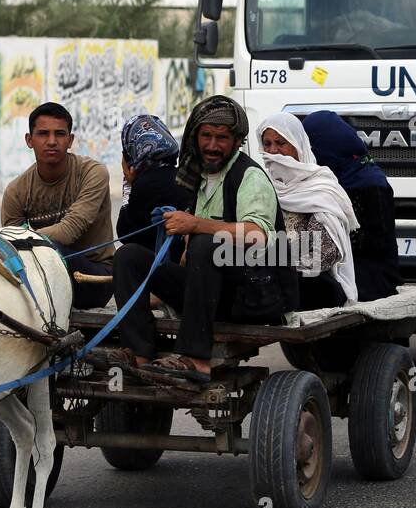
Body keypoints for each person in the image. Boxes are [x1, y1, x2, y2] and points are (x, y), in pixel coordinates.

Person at [111, 96, 296, 382]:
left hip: (252, 293)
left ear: (237, 141)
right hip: (206, 292)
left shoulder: (249, 176)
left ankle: (197, 359)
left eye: (221, 138)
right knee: (128, 256)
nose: (211, 146)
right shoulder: (201, 177)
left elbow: (259, 234)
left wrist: (196, 226)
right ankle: (138, 353)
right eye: (205, 136)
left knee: (206, 244)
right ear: (195, 137)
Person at [0, 101, 115, 309]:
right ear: (29, 140)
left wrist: (23, 240)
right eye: (43, 134)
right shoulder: (16, 191)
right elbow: (11, 250)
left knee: (53, 250)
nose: (52, 141)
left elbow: (69, 231)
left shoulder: (93, 173)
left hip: (93, 278)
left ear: (70, 140)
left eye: (60, 134)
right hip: (44, 278)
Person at [257, 112, 359, 310]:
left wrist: (278, 268)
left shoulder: (320, 189)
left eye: (280, 143)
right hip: (272, 278)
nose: (273, 151)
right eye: (267, 144)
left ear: (297, 145)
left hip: (312, 283)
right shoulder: (262, 185)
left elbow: (324, 256)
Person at [302, 111, 402, 301]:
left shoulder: (371, 183)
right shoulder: (332, 178)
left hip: (370, 279)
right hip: (342, 270)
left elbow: (369, 246)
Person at [115, 113, 192, 261]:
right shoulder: (182, 177)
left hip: (164, 270)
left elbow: (125, 233)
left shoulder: (144, 184)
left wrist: (129, 185)